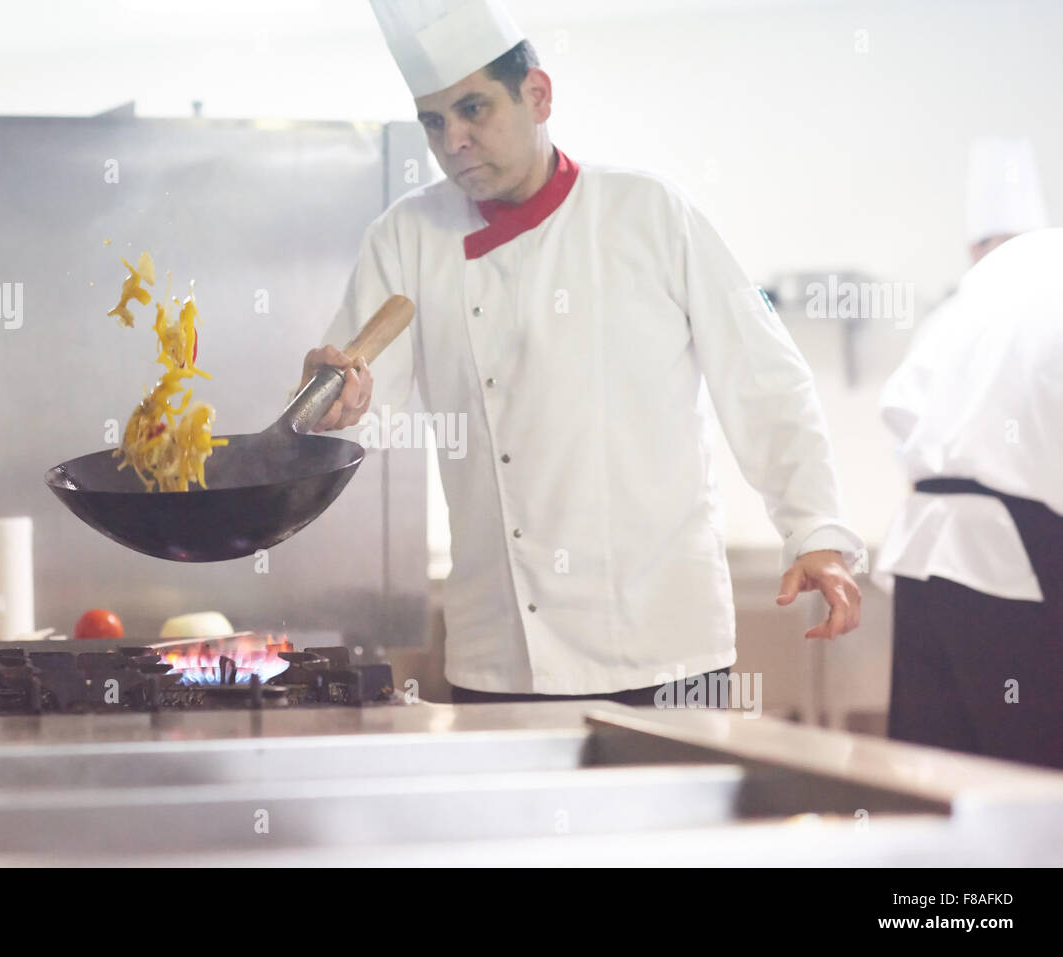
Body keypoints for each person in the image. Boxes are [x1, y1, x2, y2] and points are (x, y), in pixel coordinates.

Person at [300, 0, 864, 706]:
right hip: (500, 656)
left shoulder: (649, 211)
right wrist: (341, 402)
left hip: (664, 643)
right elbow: (365, 398)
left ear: (537, 95)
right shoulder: (405, 236)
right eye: (435, 122)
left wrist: (812, 527)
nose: (455, 141)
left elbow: (765, 379)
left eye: (475, 109)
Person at [875, 138, 1061, 768]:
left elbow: (900, 412)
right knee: (1032, 780)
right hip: (1017, 560)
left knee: (937, 777)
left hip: (927, 557)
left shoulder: (963, 301)